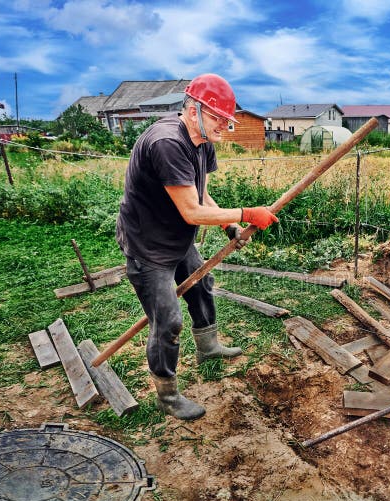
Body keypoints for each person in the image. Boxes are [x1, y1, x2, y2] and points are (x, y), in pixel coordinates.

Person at [116, 73, 278, 420]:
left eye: (227, 120)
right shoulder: (167, 143)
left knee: (201, 285)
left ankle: (208, 348)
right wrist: (248, 212)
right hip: (148, 245)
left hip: (176, 236)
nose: (225, 126)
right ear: (193, 111)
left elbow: (200, 195)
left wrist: (228, 222)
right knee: (167, 320)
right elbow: (191, 212)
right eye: (219, 118)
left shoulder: (203, 141)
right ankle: (167, 394)